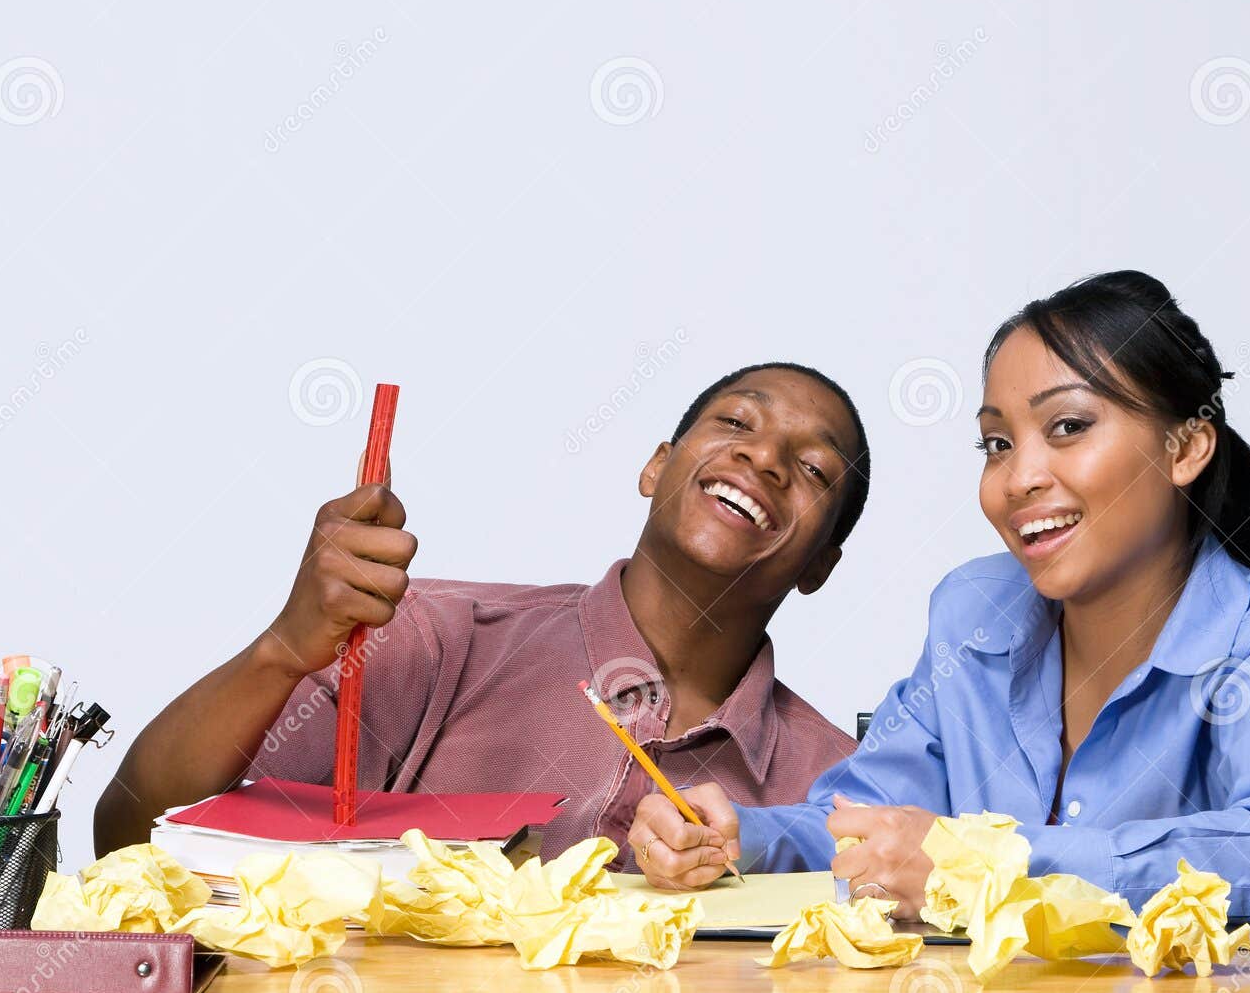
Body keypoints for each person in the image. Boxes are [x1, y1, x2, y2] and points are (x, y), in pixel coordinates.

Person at [630, 272, 1250, 919]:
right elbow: (866, 820)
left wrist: (990, 863)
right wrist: (736, 834)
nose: (1018, 479)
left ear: (1186, 447)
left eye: (1068, 426)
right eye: (998, 444)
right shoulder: (973, 615)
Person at [94, 362, 871, 861]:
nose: (764, 458)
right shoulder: (428, 638)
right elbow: (131, 843)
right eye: (735, 422)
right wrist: (283, 650)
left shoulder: (842, 783)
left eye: (812, 469)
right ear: (656, 466)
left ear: (823, 565)